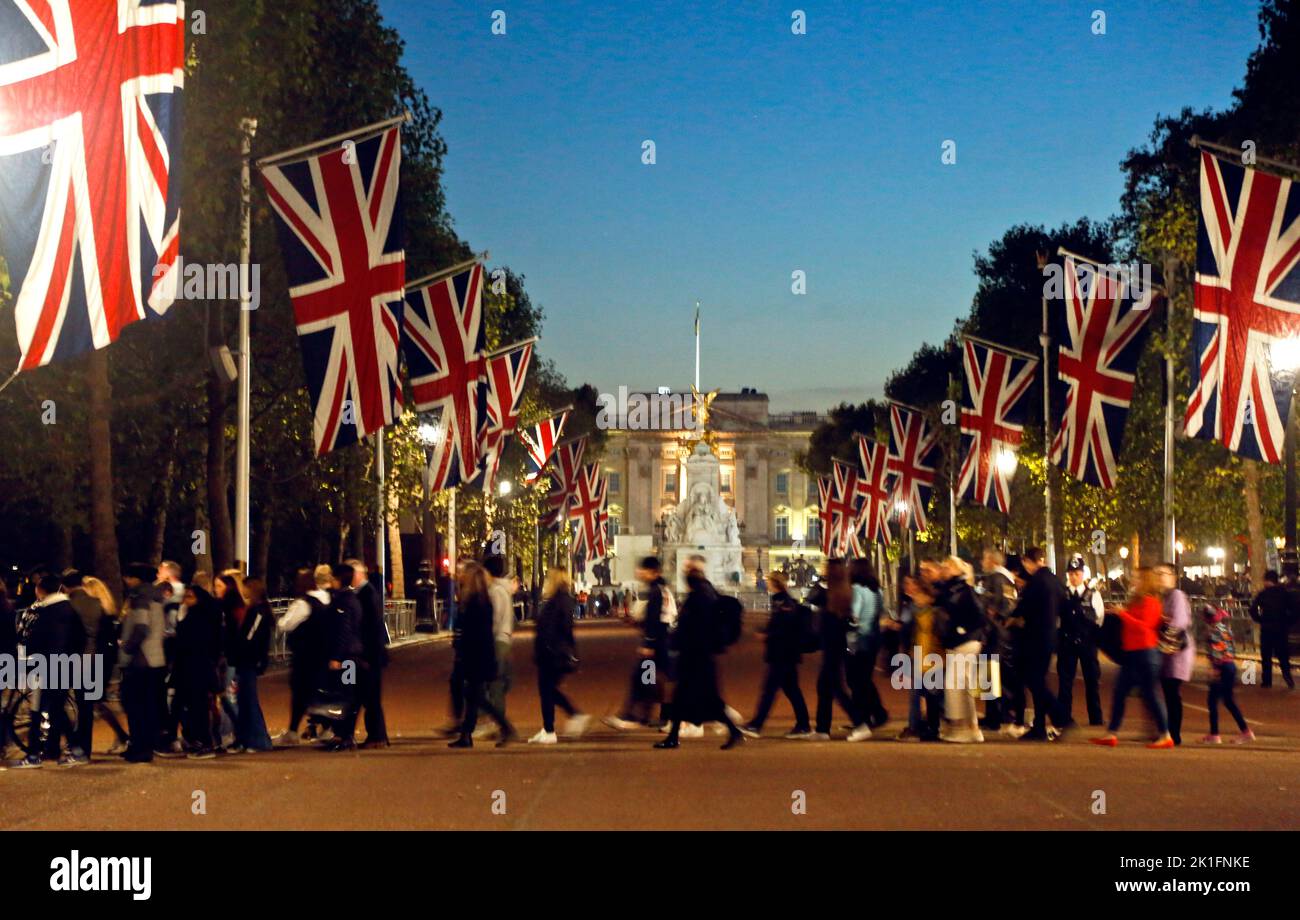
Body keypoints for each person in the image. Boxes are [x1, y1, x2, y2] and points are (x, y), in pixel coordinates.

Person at [654, 556, 743, 750]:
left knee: (704, 701)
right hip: (699, 657)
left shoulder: (698, 598)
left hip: (696, 657)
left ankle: (732, 731)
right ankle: (674, 736)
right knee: (689, 700)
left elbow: (691, 627)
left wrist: (675, 638)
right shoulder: (706, 592)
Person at [1091, 567, 1173, 748]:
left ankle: (1165, 734)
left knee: (1151, 695)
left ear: (1145, 581)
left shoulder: (1151, 602)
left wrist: (1123, 614)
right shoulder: (1137, 601)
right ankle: (1111, 733)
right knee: (1120, 692)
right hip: (1133, 653)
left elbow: (1144, 627)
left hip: (1145, 653)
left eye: (1136, 578)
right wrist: (1117, 614)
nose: (1132, 580)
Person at [14, 573, 87, 767]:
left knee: (40, 709)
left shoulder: (49, 611)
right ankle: (73, 750)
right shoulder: (68, 609)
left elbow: (41, 639)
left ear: (40, 590)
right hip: (63, 665)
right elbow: (80, 638)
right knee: (55, 709)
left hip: (49, 666)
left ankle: (33, 755)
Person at [449, 561, 516, 748]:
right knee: (473, 697)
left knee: (476, 697)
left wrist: (463, 651)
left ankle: (505, 727)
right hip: (479, 655)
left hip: (475, 656)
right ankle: (466, 734)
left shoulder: (475, 602)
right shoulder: (482, 600)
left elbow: (476, 632)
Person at [605, 556, 676, 731]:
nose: (639, 573)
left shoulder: (656, 591)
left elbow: (654, 620)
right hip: (662, 643)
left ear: (653, 572)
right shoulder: (662, 589)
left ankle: (632, 716)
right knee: (652, 680)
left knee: (644, 678)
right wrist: (635, 622)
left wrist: (648, 644)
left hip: (656, 645)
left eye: (643, 570)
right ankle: (650, 716)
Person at [739, 571, 812, 739]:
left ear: (774, 583)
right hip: (786, 653)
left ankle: (756, 725)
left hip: (782, 653)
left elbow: (782, 627)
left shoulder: (782, 601)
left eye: (768, 581)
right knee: (792, 690)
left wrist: (767, 635)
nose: (767, 584)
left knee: (769, 690)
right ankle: (803, 725)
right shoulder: (783, 600)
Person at [806, 559, 864, 741]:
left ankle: (861, 723)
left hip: (833, 646)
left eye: (826, 569)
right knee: (824, 687)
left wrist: (820, 582)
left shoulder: (833, 595)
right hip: (832, 645)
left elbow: (812, 597)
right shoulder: (839, 593)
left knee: (836, 689)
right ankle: (823, 729)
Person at [529, 568, 589, 744]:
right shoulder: (562, 599)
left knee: (547, 691)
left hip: (552, 652)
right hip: (554, 650)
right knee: (548, 691)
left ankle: (557, 725)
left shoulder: (558, 601)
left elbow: (558, 628)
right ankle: (550, 727)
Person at [1015, 548, 1066, 741]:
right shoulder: (1054, 580)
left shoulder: (1036, 581)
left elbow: (1024, 608)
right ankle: (1039, 725)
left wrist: (1013, 617)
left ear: (1029, 561)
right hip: (1050, 637)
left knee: (1034, 681)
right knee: (1038, 681)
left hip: (1035, 637)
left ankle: (1060, 716)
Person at [934, 556, 986, 744]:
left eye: (948, 567)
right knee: (962, 686)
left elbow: (979, 615)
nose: (944, 569)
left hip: (965, 641)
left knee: (955, 685)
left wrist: (961, 629)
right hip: (961, 641)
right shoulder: (952, 588)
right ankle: (971, 728)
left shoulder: (963, 589)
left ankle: (962, 728)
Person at [277, 566, 331, 745]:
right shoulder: (328, 598)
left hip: (305, 656)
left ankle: (293, 731)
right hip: (324, 654)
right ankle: (326, 728)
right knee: (319, 691)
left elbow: (285, 624)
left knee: (300, 693)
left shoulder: (303, 603)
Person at [119, 563, 167, 763]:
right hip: (156, 658)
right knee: (148, 706)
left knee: (136, 706)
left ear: (135, 578)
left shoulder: (140, 598)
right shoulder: (156, 596)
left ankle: (139, 748)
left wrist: (127, 647)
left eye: (127, 577)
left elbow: (141, 627)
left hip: (141, 660)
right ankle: (145, 745)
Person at [62, 569, 108, 762]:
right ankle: (85, 749)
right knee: (86, 707)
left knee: (57, 700)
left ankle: (74, 744)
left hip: (72, 659)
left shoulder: (67, 605)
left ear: (65, 586)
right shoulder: (97, 604)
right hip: (93, 659)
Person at [173, 584, 222, 758]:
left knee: (199, 707)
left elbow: (192, 642)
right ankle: (195, 740)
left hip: (197, 668)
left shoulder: (201, 618)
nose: (185, 601)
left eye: (190, 597)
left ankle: (205, 743)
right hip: (188, 668)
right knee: (189, 706)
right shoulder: (191, 615)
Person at [82, 575, 130, 754]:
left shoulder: (97, 612)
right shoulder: (107, 611)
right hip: (104, 659)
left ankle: (122, 735)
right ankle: (121, 735)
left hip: (97, 660)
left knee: (96, 700)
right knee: (97, 700)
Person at [226, 576, 273, 753]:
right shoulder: (255, 610)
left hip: (248, 660)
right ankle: (247, 739)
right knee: (244, 701)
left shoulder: (258, 612)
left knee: (249, 701)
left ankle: (259, 740)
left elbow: (250, 637)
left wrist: (239, 650)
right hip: (245, 660)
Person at [894, 573, 943, 742]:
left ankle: (928, 727)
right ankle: (921, 726)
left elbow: (938, 636)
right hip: (920, 657)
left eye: (921, 594)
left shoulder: (933, 614)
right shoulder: (917, 613)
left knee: (931, 695)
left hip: (932, 659)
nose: (917, 598)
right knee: (922, 694)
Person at [347, 559, 390, 748]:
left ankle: (377, 736)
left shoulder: (366, 595)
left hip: (368, 656)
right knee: (364, 697)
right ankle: (373, 735)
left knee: (369, 697)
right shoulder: (366, 593)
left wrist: (366, 656)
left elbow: (370, 628)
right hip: (368, 655)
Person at [1057, 556, 1104, 727]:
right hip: (1067, 643)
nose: (1073, 577)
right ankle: (1064, 717)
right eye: (1071, 573)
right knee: (1065, 683)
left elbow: (1099, 618)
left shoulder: (1093, 595)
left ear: (1083, 574)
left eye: (1076, 573)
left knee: (1092, 682)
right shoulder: (1062, 594)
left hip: (1087, 643)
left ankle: (1096, 718)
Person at [976, 548, 1020, 733]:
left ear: (993, 561)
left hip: (993, 633)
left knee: (990, 674)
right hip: (1002, 633)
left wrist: (988, 625)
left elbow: (992, 607)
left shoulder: (995, 579)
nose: (982, 562)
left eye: (985, 558)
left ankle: (997, 715)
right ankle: (996, 714)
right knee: (994, 674)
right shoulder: (1007, 579)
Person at [1201, 603, 1254, 744]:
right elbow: (1231, 649)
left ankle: (1215, 734)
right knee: (1228, 700)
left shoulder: (1211, 632)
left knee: (1213, 701)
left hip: (1221, 666)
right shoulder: (1226, 629)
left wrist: (1215, 669)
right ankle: (1245, 731)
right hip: (1230, 665)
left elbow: (1216, 651)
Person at [325, 562, 365, 751]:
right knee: (347, 694)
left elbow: (343, 630)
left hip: (347, 658)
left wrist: (336, 656)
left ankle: (345, 735)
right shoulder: (351, 599)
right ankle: (343, 734)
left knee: (345, 695)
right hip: (350, 656)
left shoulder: (343, 601)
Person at [846, 558, 888, 733]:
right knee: (864, 679)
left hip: (858, 639)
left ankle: (864, 717)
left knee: (855, 680)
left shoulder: (857, 590)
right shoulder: (877, 590)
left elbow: (854, 616)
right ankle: (875, 714)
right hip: (873, 638)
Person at [1156, 563, 1195, 745]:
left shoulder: (1177, 595)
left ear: (1173, 576)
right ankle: (1168, 731)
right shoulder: (1163, 597)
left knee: (1172, 694)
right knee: (1168, 693)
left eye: (1163, 574)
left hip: (1177, 652)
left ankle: (1174, 733)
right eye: (1157, 574)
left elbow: (1178, 623)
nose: (1159, 577)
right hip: (1167, 652)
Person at [478, 555, 514, 740]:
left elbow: (495, 618)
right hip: (504, 638)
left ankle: (498, 724)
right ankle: (497, 723)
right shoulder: (504, 590)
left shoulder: (496, 591)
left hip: (497, 639)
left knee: (495, 684)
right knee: (496, 683)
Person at [1249, 570, 1295, 689]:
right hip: (1281, 628)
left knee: (1266, 656)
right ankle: (1287, 677)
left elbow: (1252, 609)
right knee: (1283, 655)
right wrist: (1288, 622)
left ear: (1266, 581)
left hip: (1267, 628)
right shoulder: (1284, 593)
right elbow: (1294, 609)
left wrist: (1260, 619)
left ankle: (1267, 680)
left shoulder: (1263, 594)